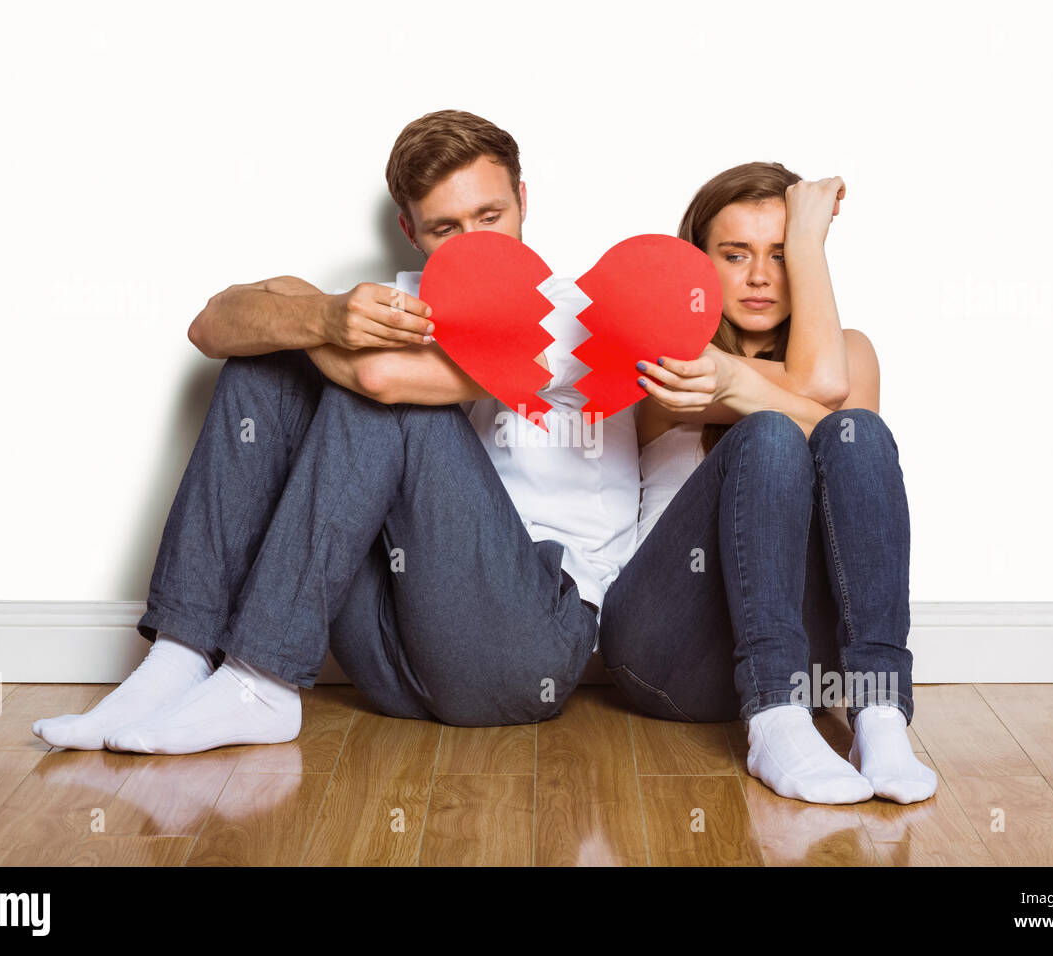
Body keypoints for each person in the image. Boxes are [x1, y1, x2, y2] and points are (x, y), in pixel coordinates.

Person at [32, 110, 639, 753]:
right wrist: (319, 314)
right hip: (398, 653)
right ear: (410, 231)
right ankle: (177, 661)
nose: (474, 246)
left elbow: (380, 380)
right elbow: (211, 326)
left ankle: (260, 683)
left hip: (525, 649)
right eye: (446, 228)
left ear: (523, 201)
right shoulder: (407, 304)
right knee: (267, 359)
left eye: (490, 216)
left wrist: (311, 321)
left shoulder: (578, 317)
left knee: (372, 387)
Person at [599, 162, 937, 804]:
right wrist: (737, 384)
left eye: (781, 255)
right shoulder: (667, 353)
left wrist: (809, 245)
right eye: (735, 255)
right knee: (772, 433)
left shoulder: (852, 354)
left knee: (857, 432)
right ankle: (774, 718)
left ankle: (879, 713)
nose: (760, 276)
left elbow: (833, 399)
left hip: (812, 665)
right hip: (668, 647)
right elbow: (818, 391)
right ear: (699, 263)